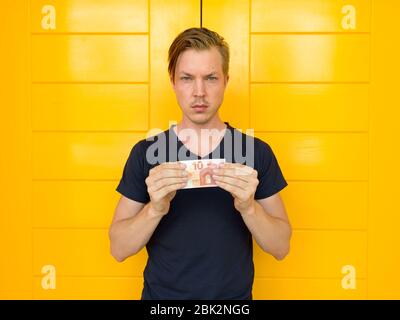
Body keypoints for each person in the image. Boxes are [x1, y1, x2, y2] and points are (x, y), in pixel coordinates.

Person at [109, 27, 292, 300]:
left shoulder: (255, 152)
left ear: (226, 80)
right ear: (172, 81)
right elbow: (118, 249)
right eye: (186, 78)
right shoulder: (147, 153)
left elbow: (281, 247)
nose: (199, 92)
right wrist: (155, 209)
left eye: (210, 78)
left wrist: (248, 208)